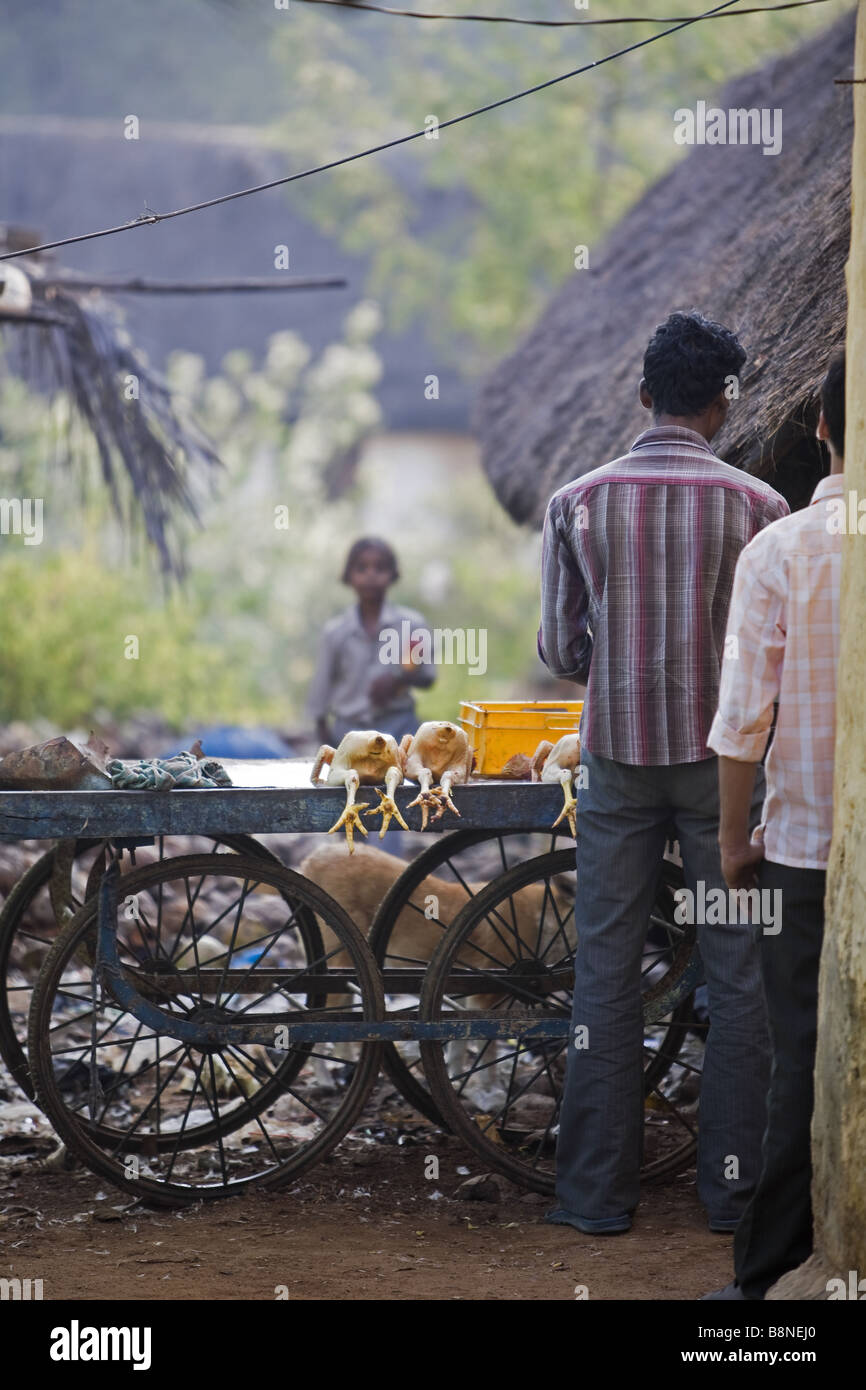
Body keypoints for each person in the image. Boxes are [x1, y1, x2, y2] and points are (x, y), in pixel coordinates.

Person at [537, 310, 789, 1235]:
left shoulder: (579, 500)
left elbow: (561, 647)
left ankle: (595, 1199)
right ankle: (734, 1202)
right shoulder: (762, 508)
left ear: (643, 394)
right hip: (728, 775)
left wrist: (620, 661)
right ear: (724, 406)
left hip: (616, 771)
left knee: (604, 974)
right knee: (741, 976)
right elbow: (772, 657)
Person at [703, 353, 845, 1300]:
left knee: (798, 1058)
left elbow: (744, 722)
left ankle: (770, 1275)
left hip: (799, 852)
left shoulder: (785, 550)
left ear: (827, 427)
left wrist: (731, 840)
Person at [307, 536, 436, 747]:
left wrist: (398, 679)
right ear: (348, 575)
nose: (371, 575)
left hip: (400, 731)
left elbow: (427, 676)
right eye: (361, 568)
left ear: (392, 574)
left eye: (380, 568)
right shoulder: (335, 632)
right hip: (348, 733)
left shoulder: (412, 625)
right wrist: (325, 736)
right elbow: (321, 688)